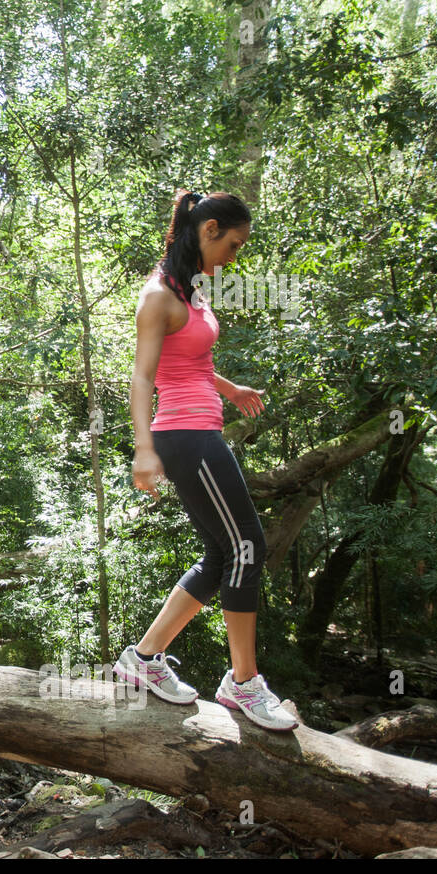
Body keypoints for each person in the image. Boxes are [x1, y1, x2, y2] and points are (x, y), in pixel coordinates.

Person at [112, 189, 297, 731]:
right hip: (184, 436)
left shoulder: (189, 286)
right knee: (247, 547)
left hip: (203, 426)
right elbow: (143, 376)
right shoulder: (158, 296)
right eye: (233, 245)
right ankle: (243, 685)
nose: (234, 258)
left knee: (223, 555)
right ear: (209, 229)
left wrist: (229, 386)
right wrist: (144, 450)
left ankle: (142, 660)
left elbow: (188, 357)